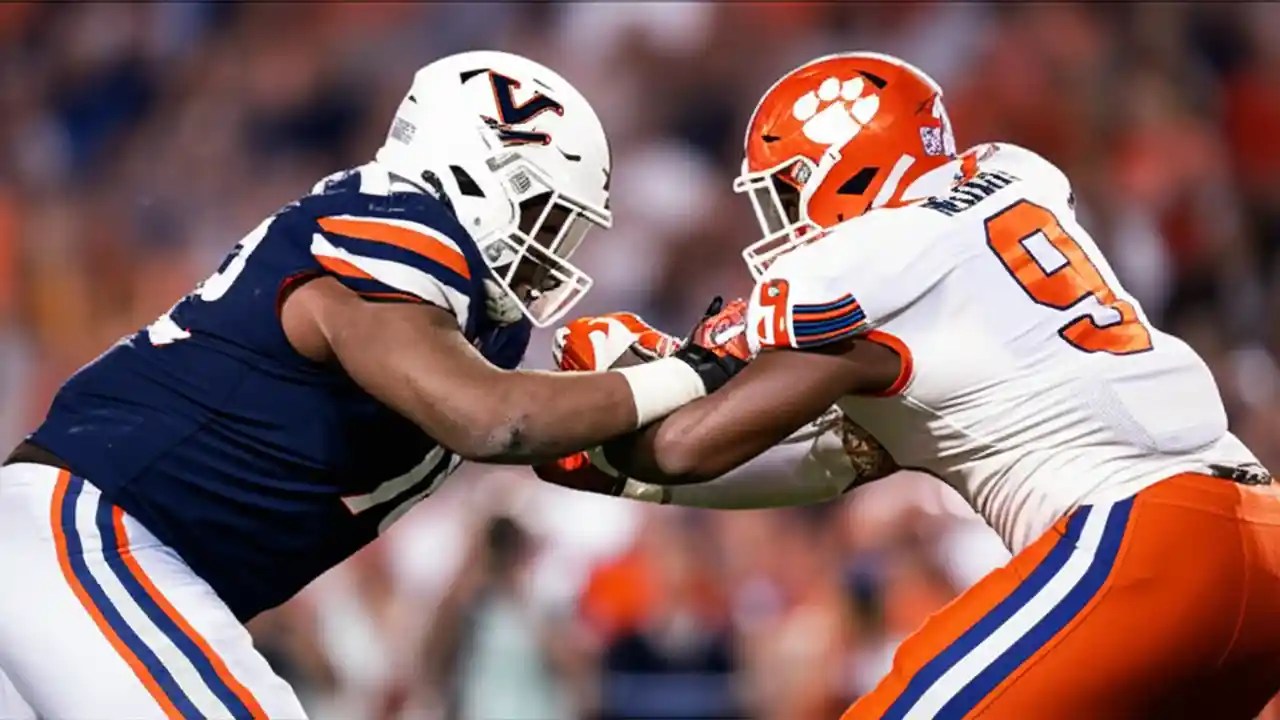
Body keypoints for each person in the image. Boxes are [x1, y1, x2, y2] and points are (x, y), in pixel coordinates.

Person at [0, 50, 744, 719]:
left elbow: (542, 437)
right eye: (545, 218)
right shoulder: (391, 227)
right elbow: (496, 420)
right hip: (92, 533)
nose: (551, 254)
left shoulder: (461, 317)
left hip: (91, 551)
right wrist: (690, 371)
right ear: (477, 177)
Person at [544, 52, 1280, 719]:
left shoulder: (878, 265)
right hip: (1256, 530)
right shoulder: (1004, 194)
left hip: (1142, 545)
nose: (789, 223)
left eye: (790, 192)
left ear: (850, 169)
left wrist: (638, 398)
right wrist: (632, 476)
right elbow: (829, 460)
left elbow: (684, 449)